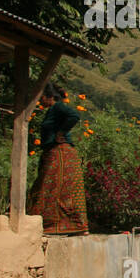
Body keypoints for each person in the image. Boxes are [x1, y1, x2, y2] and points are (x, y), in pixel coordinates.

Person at [27, 83, 88, 235]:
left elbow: (74, 115)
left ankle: (56, 224)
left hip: (60, 152)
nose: (40, 100)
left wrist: (61, 132)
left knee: (52, 187)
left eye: (42, 97)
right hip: (54, 151)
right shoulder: (51, 111)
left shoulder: (58, 107)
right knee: (49, 185)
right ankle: (61, 225)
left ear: (50, 97)